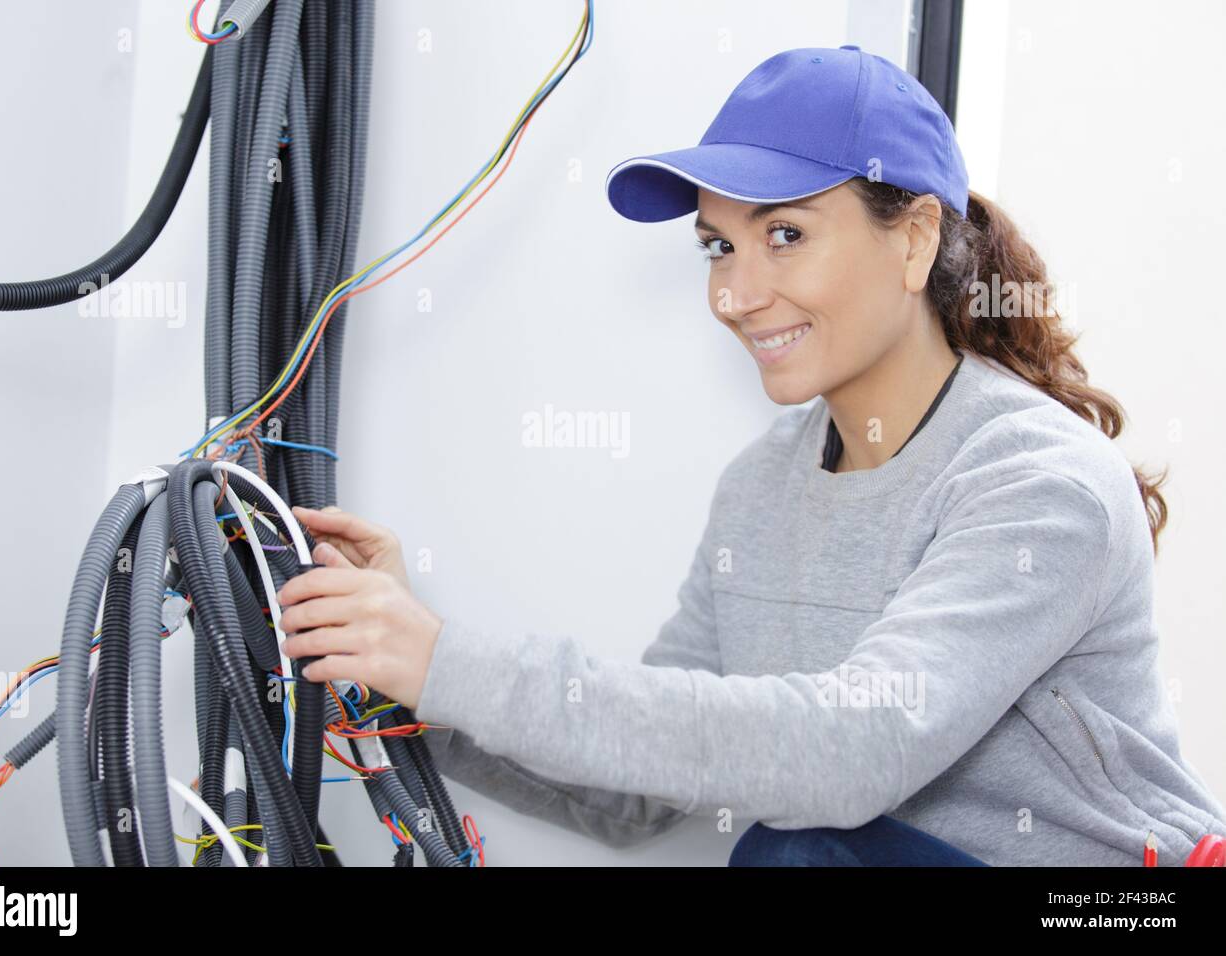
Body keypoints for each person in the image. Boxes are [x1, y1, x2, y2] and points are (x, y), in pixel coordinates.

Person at [275, 45, 1226, 866]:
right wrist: (405, 671)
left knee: (799, 848)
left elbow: (854, 755)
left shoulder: (1037, 481)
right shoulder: (762, 488)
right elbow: (632, 794)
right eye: (718, 247)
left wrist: (449, 661)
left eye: (785, 235)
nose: (737, 292)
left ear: (916, 239)